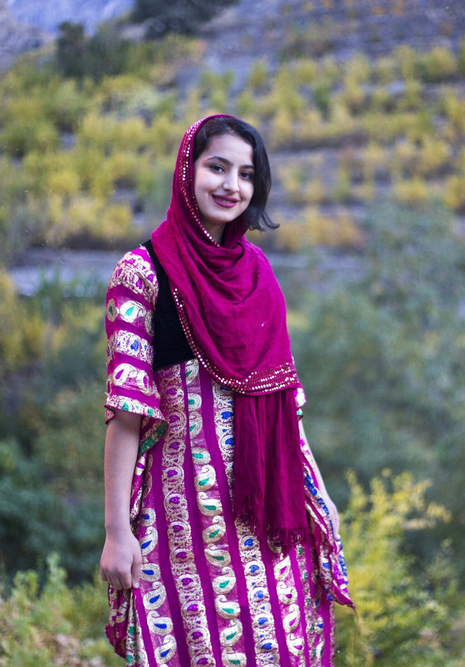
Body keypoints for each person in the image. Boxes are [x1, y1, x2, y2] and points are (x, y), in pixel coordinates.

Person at [100, 114, 353, 667]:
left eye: (245, 174)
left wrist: (320, 492)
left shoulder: (258, 273)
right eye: (217, 167)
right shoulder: (142, 274)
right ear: (187, 171)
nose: (230, 186)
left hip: (270, 510)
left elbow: (286, 404)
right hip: (184, 523)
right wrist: (117, 531)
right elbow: (126, 412)